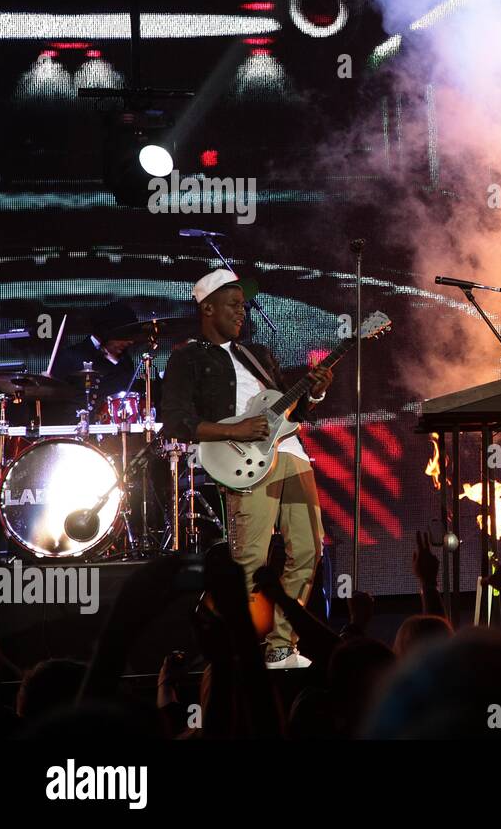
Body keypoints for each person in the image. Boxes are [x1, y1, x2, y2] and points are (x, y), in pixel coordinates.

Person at [161, 269, 332, 668]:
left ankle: (280, 644)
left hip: (290, 453)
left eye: (244, 305)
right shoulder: (187, 357)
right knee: (250, 559)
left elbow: (293, 411)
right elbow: (176, 421)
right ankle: (240, 649)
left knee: (309, 547)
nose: (243, 311)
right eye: (234, 304)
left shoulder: (259, 354)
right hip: (242, 461)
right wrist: (233, 429)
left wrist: (317, 390)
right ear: (207, 307)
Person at [48, 300, 141, 422]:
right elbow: (53, 402)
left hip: (114, 433)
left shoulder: (126, 362)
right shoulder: (70, 356)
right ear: (107, 332)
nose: (130, 342)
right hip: (75, 432)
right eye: (125, 336)